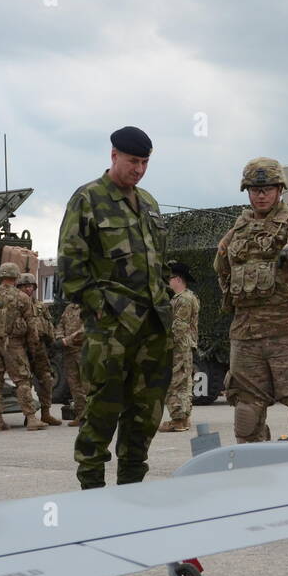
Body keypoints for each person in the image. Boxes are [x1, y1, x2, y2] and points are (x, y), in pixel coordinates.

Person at [57, 126, 172, 488]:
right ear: (113, 156)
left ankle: (132, 490)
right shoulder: (88, 199)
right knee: (103, 410)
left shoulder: (149, 203)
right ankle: (92, 490)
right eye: (132, 161)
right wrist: (101, 309)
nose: (138, 169)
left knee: (145, 414)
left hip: (153, 328)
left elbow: (160, 262)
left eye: (144, 162)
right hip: (111, 329)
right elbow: (70, 267)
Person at [215, 158, 288, 443]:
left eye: (267, 188)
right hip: (247, 333)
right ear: (247, 191)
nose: (261, 194)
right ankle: (254, 476)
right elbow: (222, 270)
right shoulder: (236, 233)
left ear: (280, 189)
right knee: (246, 414)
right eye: (255, 189)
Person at [0, 262, 47, 432]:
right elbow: (32, 325)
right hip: (13, 344)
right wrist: (33, 347)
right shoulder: (22, 297)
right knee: (22, 380)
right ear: (16, 276)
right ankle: (31, 418)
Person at [159, 261, 200, 433]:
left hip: (178, 346)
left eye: (170, 278)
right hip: (183, 346)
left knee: (175, 382)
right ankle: (183, 417)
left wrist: (164, 345)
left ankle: (178, 419)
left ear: (177, 279)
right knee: (183, 382)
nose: (168, 282)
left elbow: (179, 326)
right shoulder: (187, 297)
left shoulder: (183, 299)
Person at [16, 271, 61, 426]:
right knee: (25, 382)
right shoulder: (16, 305)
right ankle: (29, 415)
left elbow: (49, 325)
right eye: (24, 286)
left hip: (40, 347)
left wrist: (52, 343)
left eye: (30, 286)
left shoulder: (40, 306)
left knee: (46, 379)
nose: (27, 289)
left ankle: (46, 413)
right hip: (22, 347)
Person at [57, 301, 87, 426]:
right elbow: (60, 324)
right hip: (69, 353)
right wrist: (59, 337)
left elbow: (86, 328)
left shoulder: (88, 306)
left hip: (84, 351)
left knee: (87, 385)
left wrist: (66, 340)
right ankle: (81, 415)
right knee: (74, 386)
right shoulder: (69, 308)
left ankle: (91, 417)